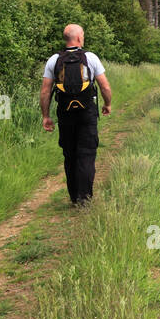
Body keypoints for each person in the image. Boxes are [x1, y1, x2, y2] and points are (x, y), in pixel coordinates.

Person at [40, 24, 112, 206]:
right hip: (86, 113)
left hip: (65, 115)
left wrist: (46, 116)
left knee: (70, 154)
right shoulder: (90, 58)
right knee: (86, 153)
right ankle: (84, 198)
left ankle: (74, 197)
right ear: (79, 38)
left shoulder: (54, 60)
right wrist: (107, 103)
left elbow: (45, 91)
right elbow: (105, 86)